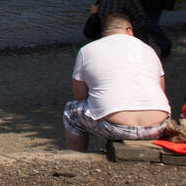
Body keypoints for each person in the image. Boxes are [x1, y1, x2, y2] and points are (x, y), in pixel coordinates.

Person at [64, 14, 171, 150]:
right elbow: (161, 90)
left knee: (71, 111)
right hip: (158, 126)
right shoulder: (148, 49)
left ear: (104, 33)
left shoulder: (87, 50)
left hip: (117, 128)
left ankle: (76, 155)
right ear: (129, 30)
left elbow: (80, 96)